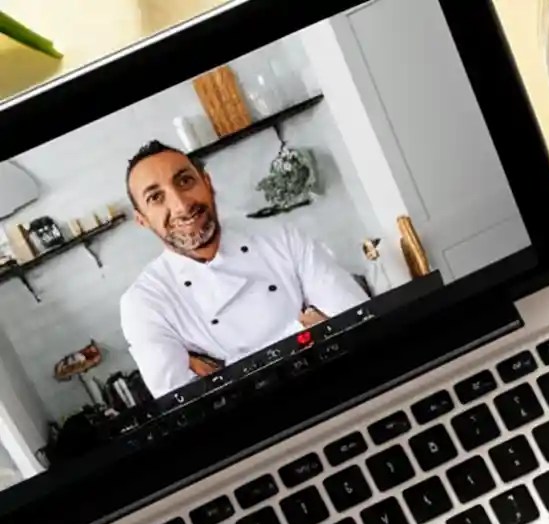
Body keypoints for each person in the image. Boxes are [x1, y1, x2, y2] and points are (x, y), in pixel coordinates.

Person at [119, 141, 367, 398]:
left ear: (207, 183)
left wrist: (223, 374)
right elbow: (183, 404)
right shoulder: (144, 303)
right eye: (156, 197)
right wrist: (303, 330)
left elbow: (357, 319)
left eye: (185, 181)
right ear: (142, 219)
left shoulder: (282, 237)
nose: (181, 206)